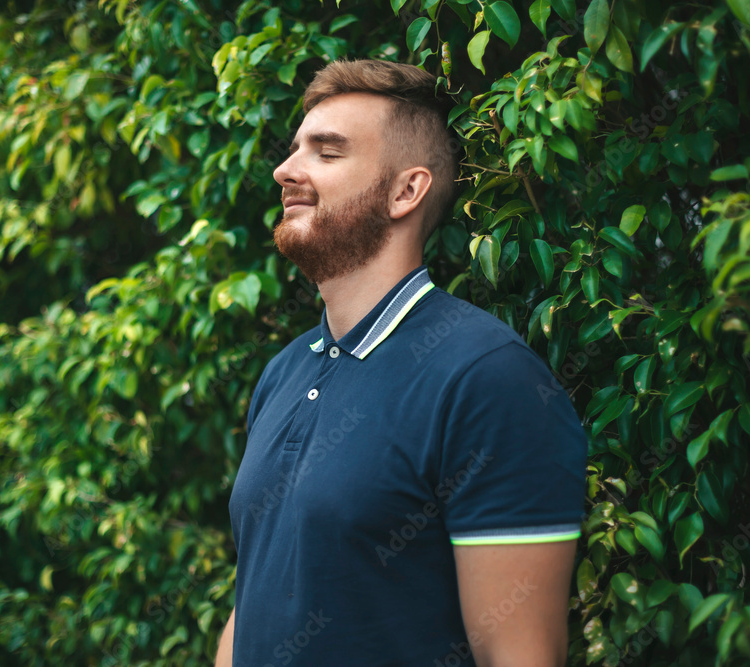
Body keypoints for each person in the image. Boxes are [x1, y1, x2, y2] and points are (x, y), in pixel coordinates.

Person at [215, 58, 587, 667]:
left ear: (405, 191)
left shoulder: (487, 379)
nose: (286, 170)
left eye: (326, 153)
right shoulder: (284, 371)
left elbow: (520, 656)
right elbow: (256, 592)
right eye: (294, 149)